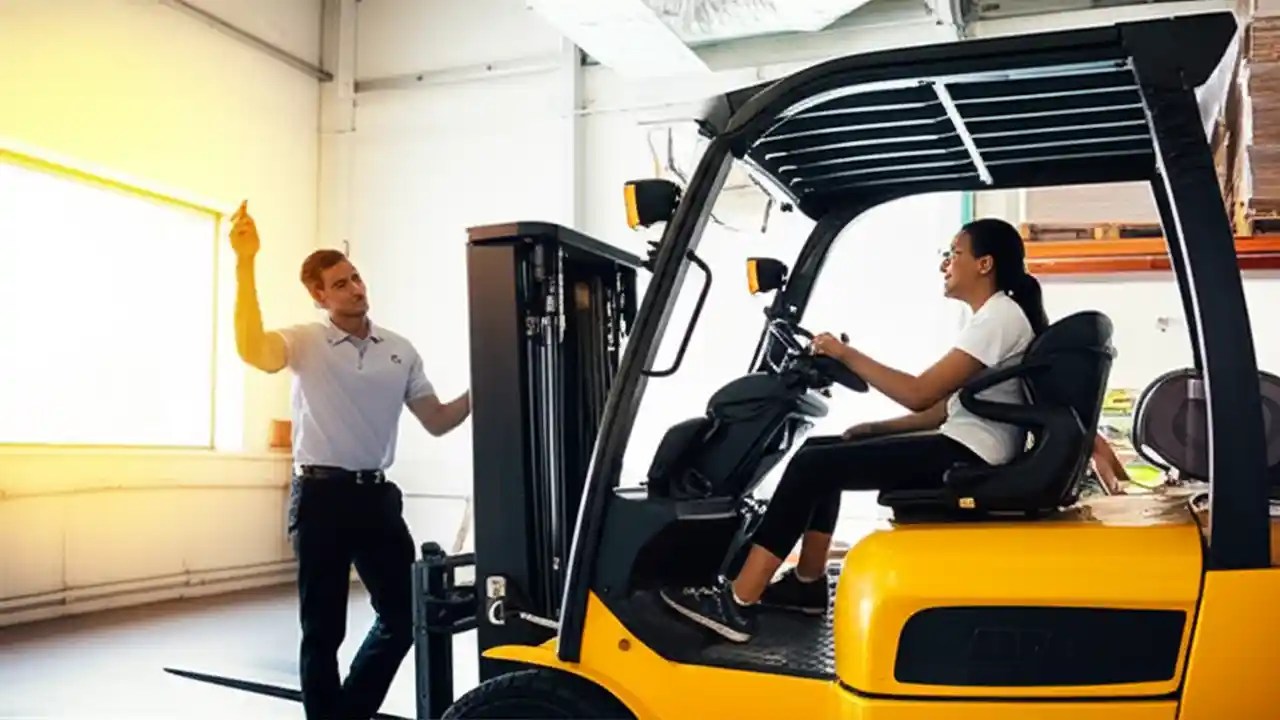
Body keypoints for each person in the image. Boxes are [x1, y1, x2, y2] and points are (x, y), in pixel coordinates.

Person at [660, 218, 1048, 643]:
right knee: (828, 449)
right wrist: (874, 429)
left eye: (953, 254)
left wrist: (845, 354)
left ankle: (737, 601)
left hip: (969, 453)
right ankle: (806, 585)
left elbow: (919, 393)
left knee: (813, 466)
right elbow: (941, 409)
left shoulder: (998, 318)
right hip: (966, 444)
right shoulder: (995, 318)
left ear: (984, 264)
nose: (944, 265)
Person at [229, 201, 471, 719]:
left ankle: (349, 713)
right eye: (339, 284)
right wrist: (245, 261)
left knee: (405, 616)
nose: (355, 288)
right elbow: (252, 349)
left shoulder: (400, 350)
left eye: (355, 277)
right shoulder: (305, 342)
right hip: (320, 498)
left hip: (376, 498)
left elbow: (438, 419)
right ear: (319, 296)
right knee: (324, 631)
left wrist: (489, 381)